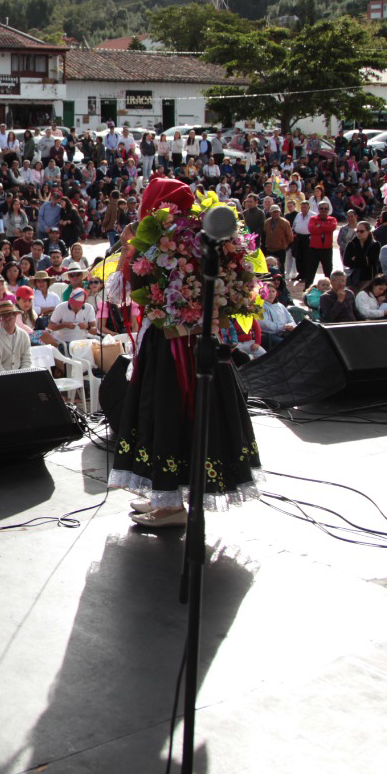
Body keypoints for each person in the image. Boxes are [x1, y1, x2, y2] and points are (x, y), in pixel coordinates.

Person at [107, 177, 262, 530]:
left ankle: (171, 502)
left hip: (170, 345)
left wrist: (130, 248)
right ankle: (167, 495)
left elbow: (124, 290)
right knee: (191, 416)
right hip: (201, 345)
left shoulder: (160, 240)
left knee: (166, 416)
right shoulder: (207, 235)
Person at [0, 300, 33, 372]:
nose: (6, 318)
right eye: (3, 315)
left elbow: (27, 361)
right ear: (0, 317)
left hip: (21, 377)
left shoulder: (24, 335)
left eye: (9, 314)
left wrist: (21, 377)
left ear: (15, 315)